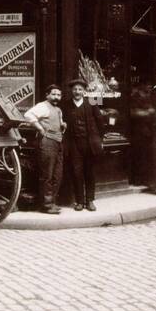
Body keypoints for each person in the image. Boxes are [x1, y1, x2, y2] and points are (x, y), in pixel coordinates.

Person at [63, 78, 105, 211]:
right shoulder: (66, 104)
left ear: (84, 91)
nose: (77, 91)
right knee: (77, 172)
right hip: (74, 144)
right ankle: (79, 201)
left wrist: (100, 140)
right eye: (75, 89)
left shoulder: (92, 102)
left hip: (89, 143)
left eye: (80, 89)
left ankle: (90, 201)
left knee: (90, 172)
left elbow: (100, 122)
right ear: (71, 91)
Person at [24, 84, 66, 213]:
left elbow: (58, 122)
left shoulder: (58, 109)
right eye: (53, 94)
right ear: (47, 95)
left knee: (57, 175)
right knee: (47, 174)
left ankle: (51, 202)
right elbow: (28, 115)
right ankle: (46, 205)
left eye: (58, 95)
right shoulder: (42, 106)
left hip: (58, 142)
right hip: (47, 142)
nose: (56, 97)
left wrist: (63, 124)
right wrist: (40, 128)